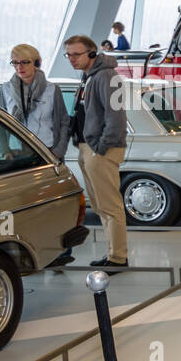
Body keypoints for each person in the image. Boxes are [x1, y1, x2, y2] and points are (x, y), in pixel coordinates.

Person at [0, 44, 75, 267]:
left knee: (53, 204)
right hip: (17, 155)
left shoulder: (52, 89)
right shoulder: (6, 89)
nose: (19, 67)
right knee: (23, 206)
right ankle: (28, 250)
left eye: (24, 62)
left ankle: (60, 251)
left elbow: (63, 122)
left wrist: (58, 151)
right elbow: (0, 123)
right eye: (15, 62)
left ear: (36, 63)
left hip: (46, 153)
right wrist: (4, 149)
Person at [64, 34, 128, 270]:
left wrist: (101, 147)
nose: (71, 59)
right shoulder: (88, 76)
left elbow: (116, 118)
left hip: (100, 149)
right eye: (68, 54)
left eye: (76, 54)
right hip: (87, 146)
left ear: (92, 53)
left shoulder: (108, 77)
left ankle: (118, 258)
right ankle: (113, 253)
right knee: (100, 205)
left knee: (110, 205)